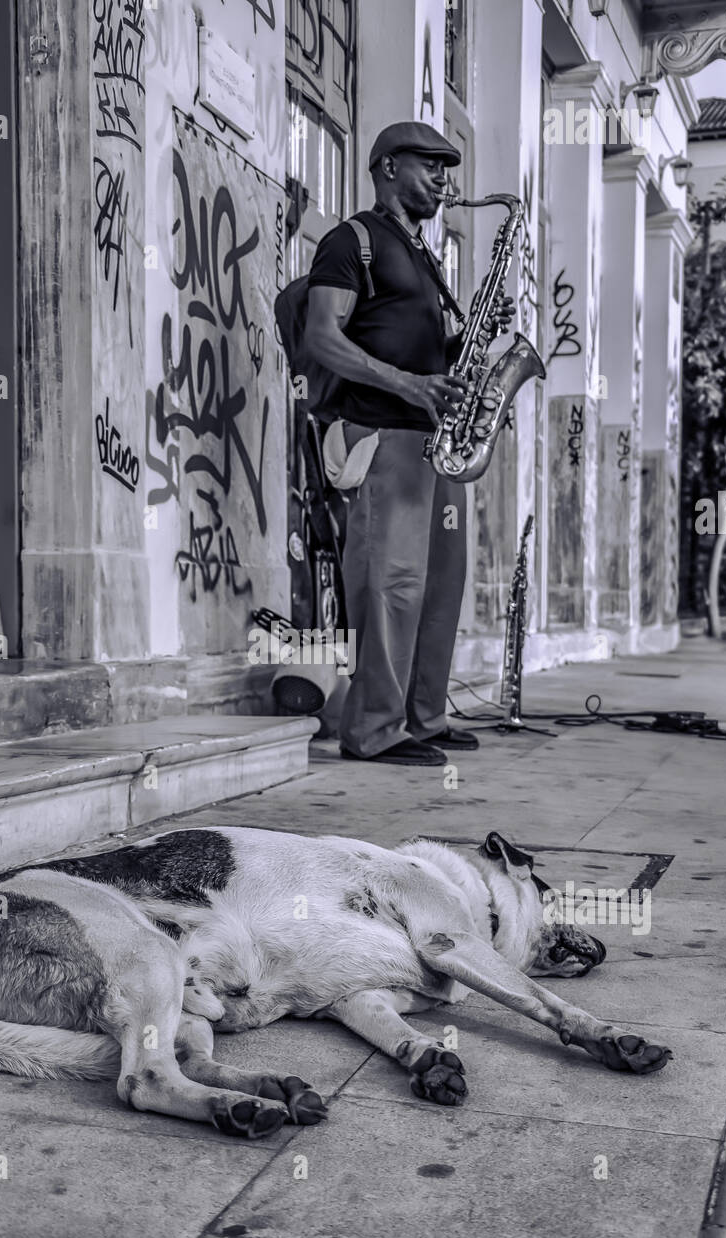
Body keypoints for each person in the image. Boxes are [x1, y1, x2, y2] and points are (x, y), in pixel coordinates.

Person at [305, 121, 515, 766]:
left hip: (434, 443)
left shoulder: (424, 254)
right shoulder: (352, 241)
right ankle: (372, 730)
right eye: (432, 164)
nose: (445, 179)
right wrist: (409, 384)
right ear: (388, 167)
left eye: (447, 167)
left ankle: (422, 716)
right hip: (383, 436)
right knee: (391, 586)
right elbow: (322, 336)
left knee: (440, 586)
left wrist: (466, 352)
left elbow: (419, 350)